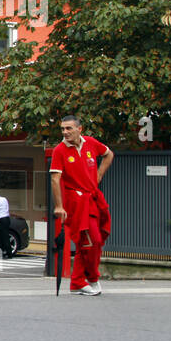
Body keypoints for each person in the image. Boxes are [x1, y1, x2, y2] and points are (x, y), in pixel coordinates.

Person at [51, 115, 113, 295]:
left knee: (87, 241)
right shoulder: (60, 150)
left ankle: (77, 282)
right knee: (92, 239)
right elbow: (55, 179)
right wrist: (59, 206)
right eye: (63, 129)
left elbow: (109, 154)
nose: (65, 132)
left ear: (80, 129)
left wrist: (99, 175)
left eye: (69, 128)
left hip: (94, 198)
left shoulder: (91, 143)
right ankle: (91, 278)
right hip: (76, 201)